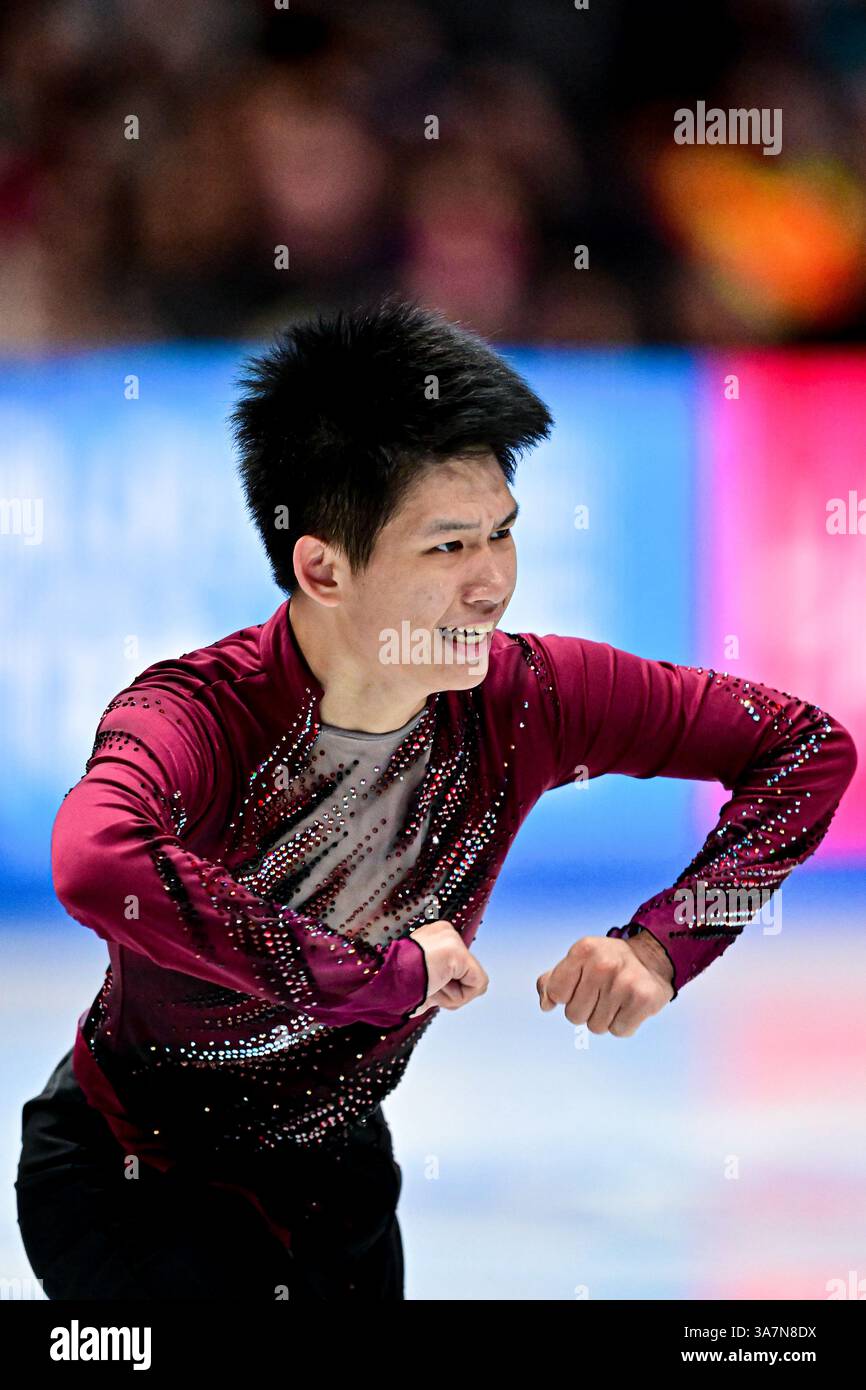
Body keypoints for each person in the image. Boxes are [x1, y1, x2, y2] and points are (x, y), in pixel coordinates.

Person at [16, 298, 858, 1300]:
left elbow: (806, 751)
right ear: (322, 567)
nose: (491, 584)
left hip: (337, 1188)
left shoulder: (527, 699)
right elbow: (95, 859)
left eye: (501, 535)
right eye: (447, 548)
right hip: (134, 1177)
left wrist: (665, 942)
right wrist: (367, 976)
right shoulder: (199, 714)